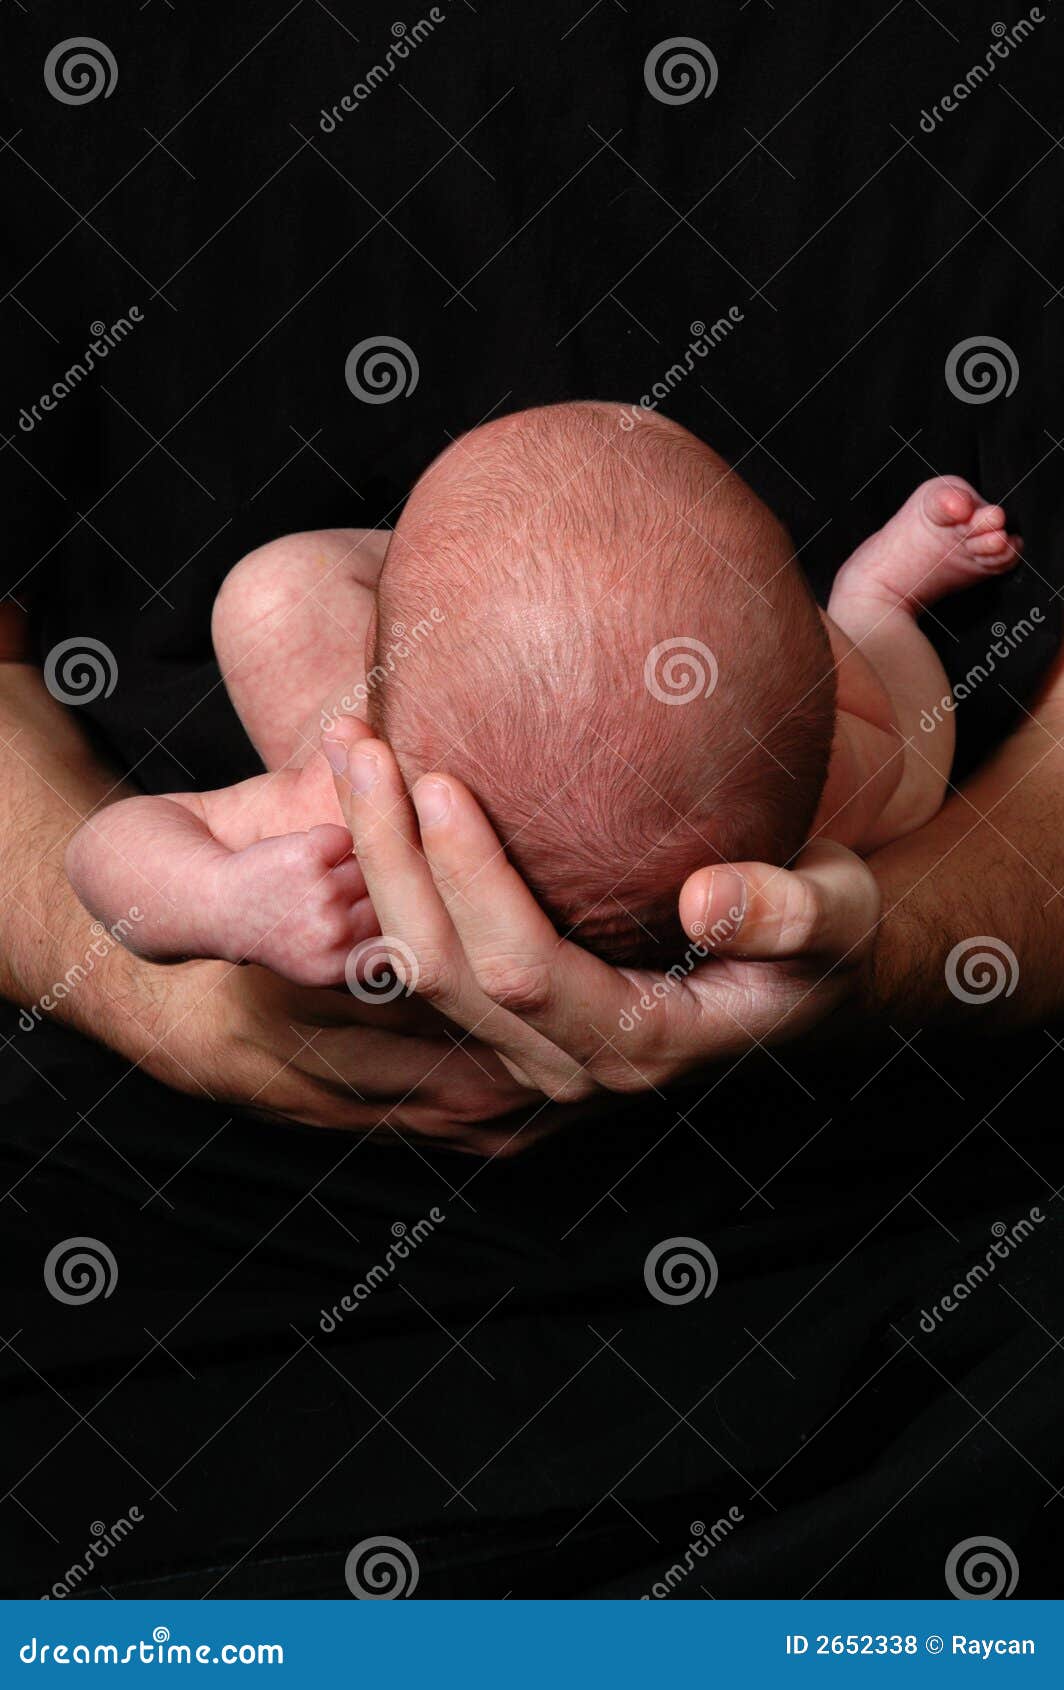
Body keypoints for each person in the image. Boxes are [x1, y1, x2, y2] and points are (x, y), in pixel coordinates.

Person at [63, 403, 1021, 988]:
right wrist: (862, 633)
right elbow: (894, 744)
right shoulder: (827, 793)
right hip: (776, 787)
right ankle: (873, 604)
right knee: (906, 753)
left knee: (270, 594)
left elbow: (104, 852)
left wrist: (225, 902)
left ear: (381, 687)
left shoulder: (343, 810)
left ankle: (862, 602)